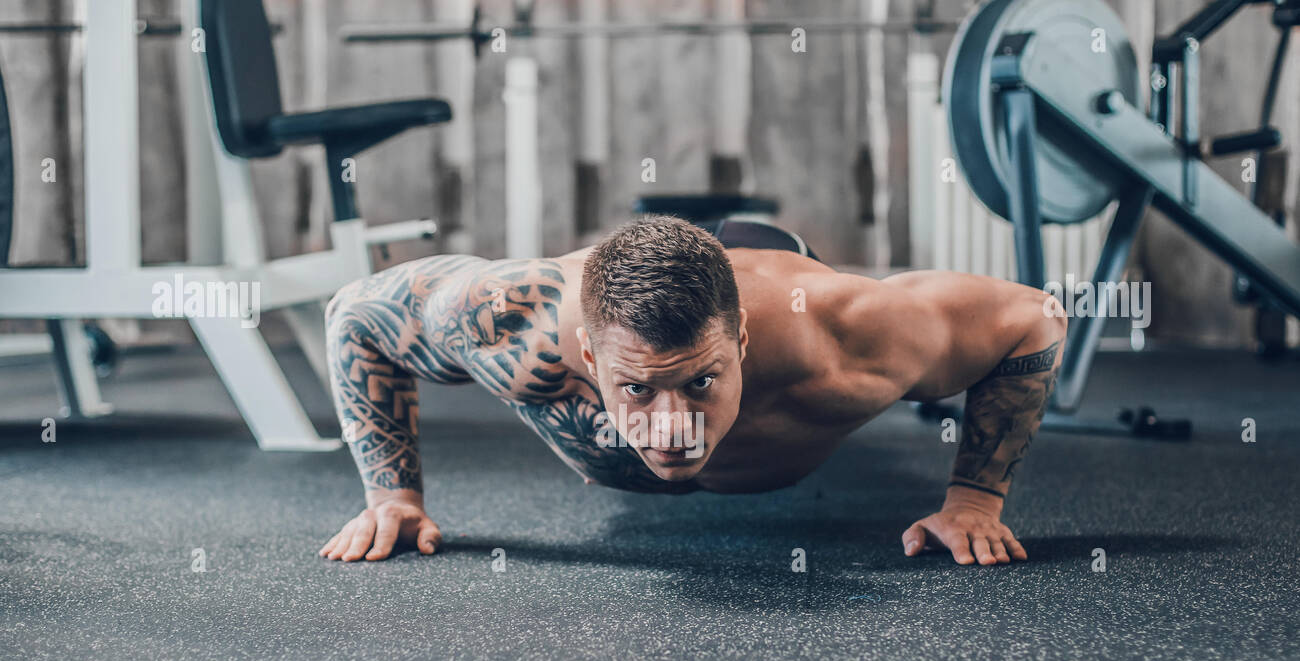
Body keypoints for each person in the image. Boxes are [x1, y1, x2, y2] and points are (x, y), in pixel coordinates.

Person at [320, 215, 1066, 566]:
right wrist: (394, 497)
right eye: (639, 391)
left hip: (772, 257)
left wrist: (973, 500)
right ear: (587, 354)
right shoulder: (512, 323)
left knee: (759, 250)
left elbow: (1033, 316)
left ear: (740, 345)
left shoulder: (846, 339)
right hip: (636, 272)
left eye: (702, 382)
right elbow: (355, 313)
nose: (674, 425)